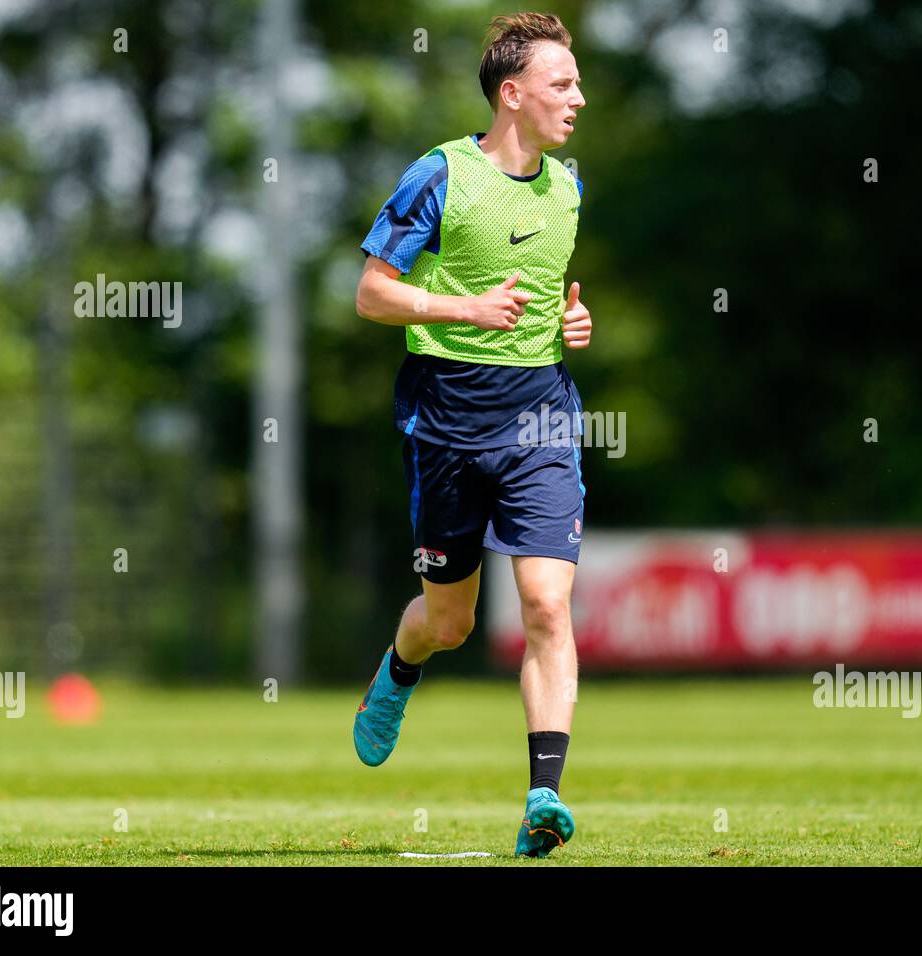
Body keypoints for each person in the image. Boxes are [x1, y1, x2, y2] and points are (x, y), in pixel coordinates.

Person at [353, 12, 590, 859]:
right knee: (449, 622)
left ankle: (543, 798)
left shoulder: (568, 187)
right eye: (563, 85)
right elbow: (373, 293)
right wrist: (465, 309)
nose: (579, 99)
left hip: (542, 416)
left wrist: (573, 316)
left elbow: (551, 285)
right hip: (446, 419)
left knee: (546, 606)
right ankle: (398, 671)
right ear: (513, 94)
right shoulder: (440, 174)